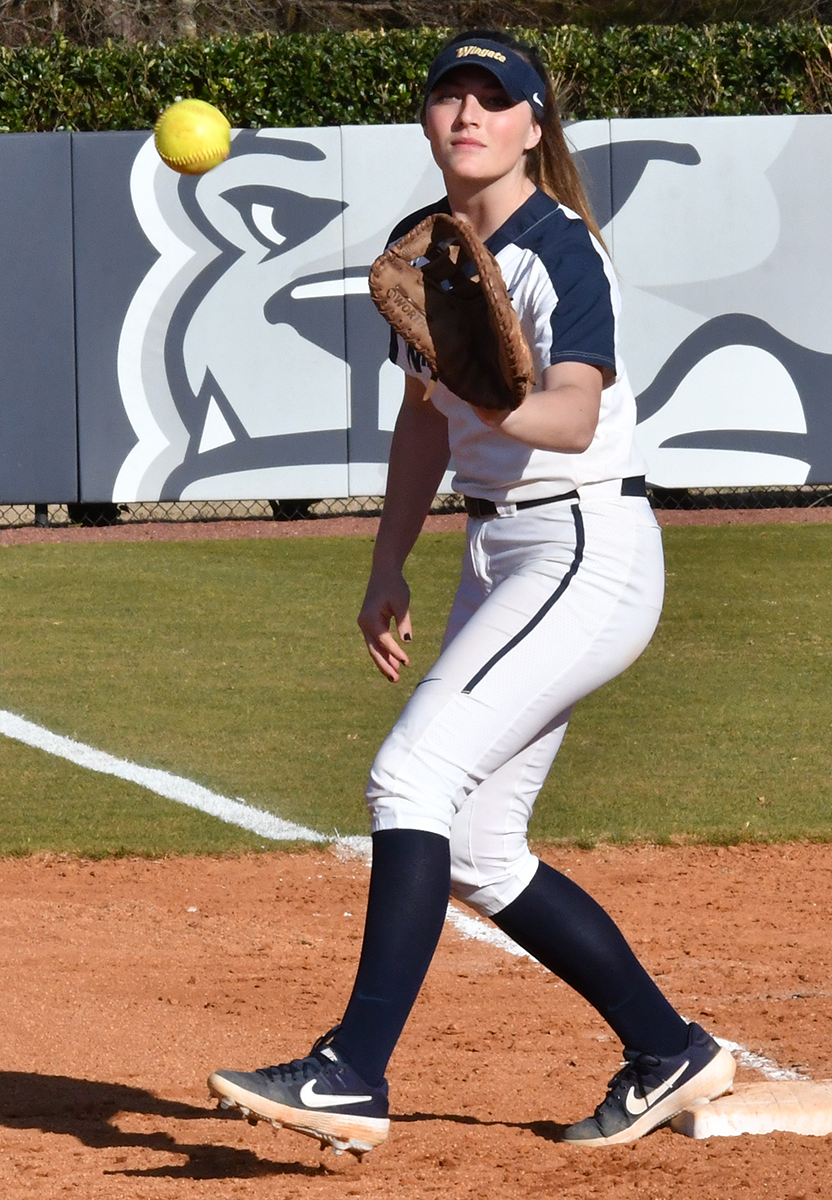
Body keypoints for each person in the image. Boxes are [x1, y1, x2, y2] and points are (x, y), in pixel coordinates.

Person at [207, 29, 734, 1155]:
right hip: (500, 553)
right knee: (484, 848)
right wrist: (387, 559)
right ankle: (667, 1050)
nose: (466, 113)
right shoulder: (429, 250)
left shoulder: (560, 251)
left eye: (493, 99)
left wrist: (476, 391)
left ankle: (350, 1071)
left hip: (583, 547)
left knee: (409, 775)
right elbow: (419, 421)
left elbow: (571, 416)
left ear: (533, 128)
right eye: (450, 93)